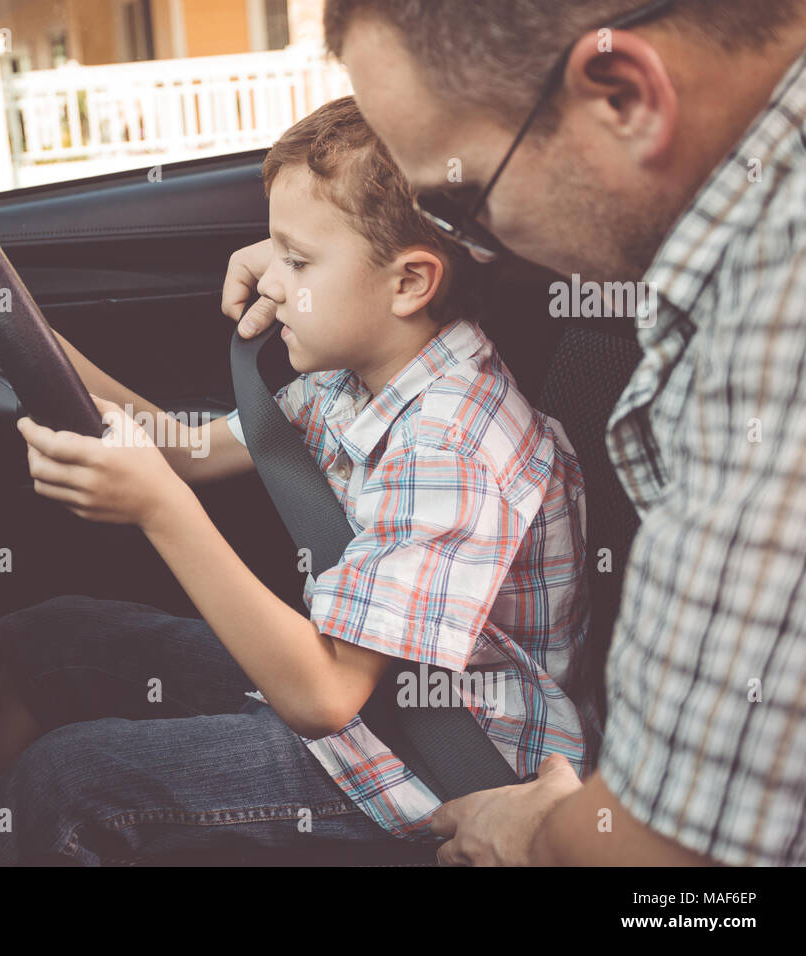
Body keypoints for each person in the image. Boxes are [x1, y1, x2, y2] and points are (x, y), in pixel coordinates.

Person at [220, 0, 806, 866]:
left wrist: (535, 829)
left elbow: (678, 881)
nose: (470, 251)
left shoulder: (771, 344)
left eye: (457, 200)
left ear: (623, 97)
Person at [0, 96, 594, 865]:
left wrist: (160, 510)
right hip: (371, 701)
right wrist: (23, 332)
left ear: (410, 283)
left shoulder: (449, 446)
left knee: (70, 780)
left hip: (439, 762)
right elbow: (186, 448)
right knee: (50, 636)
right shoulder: (360, 375)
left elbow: (324, 697)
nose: (269, 281)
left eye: (297, 259)